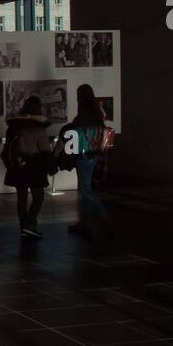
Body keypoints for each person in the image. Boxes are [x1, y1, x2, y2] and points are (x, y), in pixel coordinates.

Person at [58, 84, 111, 237]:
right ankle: (85, 223)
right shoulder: (97, 115)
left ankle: (105, 217)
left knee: (85, 189)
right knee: (86, 188)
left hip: (84, 155)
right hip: (93, 154)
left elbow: (74, 130)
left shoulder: (83, 116)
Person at [2, 96, 53, 239]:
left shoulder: (14, 126)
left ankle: (24, 226)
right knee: (38, 197)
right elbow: (44, 149)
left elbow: (8, 147)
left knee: (21, 198)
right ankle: (31, 224)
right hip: (35, 165)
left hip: (18, 166)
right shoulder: (39, 127)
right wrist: (52, 166)